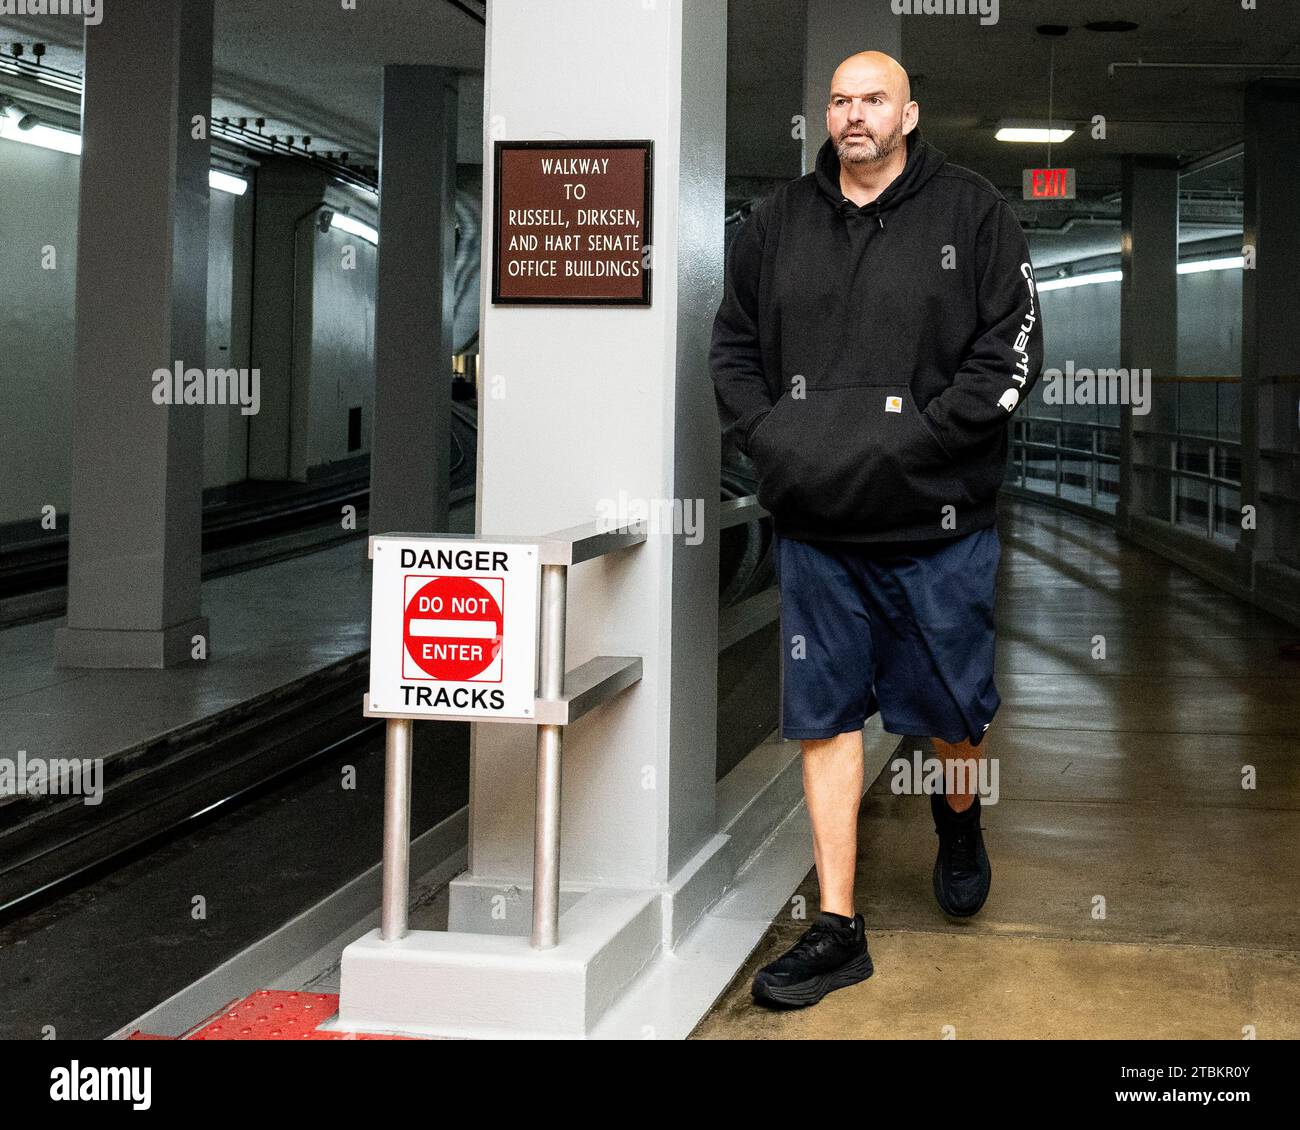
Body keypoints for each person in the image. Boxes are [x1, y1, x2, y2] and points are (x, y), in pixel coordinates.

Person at [709, 50, 1044, 1009]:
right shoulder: (776, 224)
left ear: (909, 113)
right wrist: (773, 439)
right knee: (824, 721)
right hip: (820, 522)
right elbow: (732, 345)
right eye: (841, 101)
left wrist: (927, 443)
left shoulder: (972, 213)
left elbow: (1011, 343)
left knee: (952, 711)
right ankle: (838, 926)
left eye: (873, 101)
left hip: (939, 524)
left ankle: (959, 821)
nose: (854, 115)